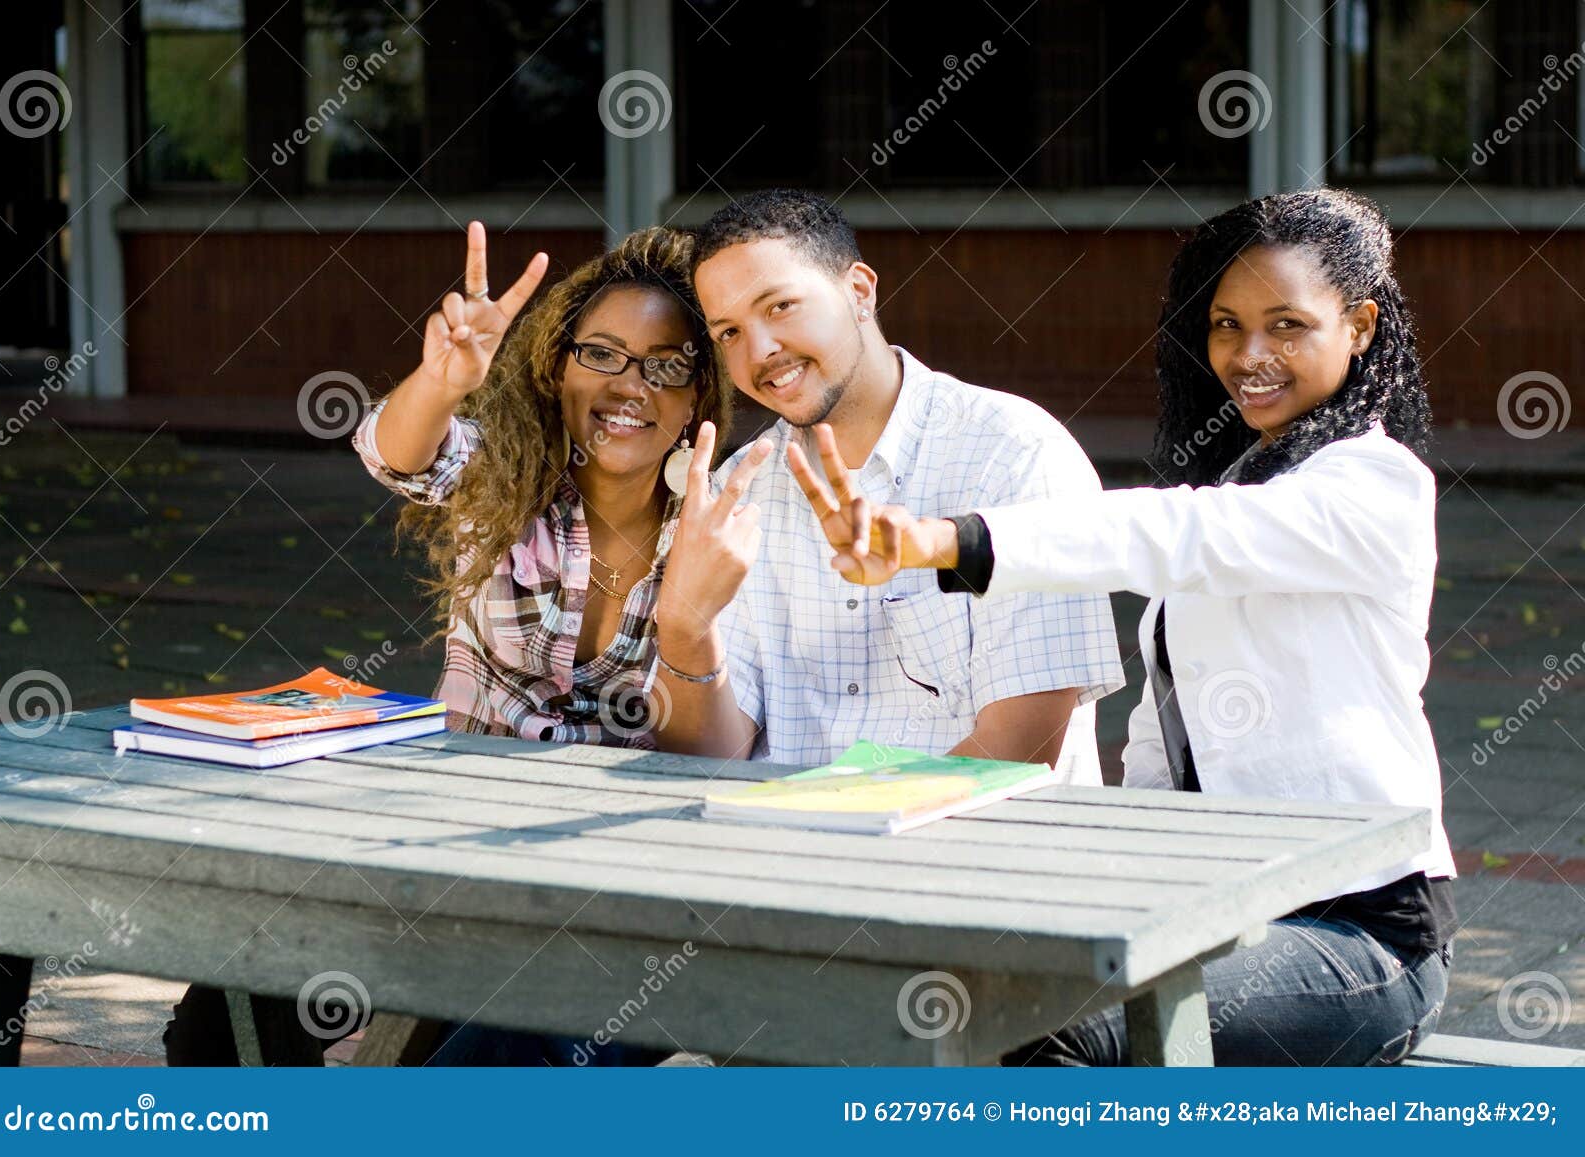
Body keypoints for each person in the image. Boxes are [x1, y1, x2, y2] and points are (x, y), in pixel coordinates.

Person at [789, 187, 1455, 1067]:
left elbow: (1169, 532)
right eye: (1226, 325)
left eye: (1287, 325)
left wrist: (944, 541)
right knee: (951, 994)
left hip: (1362, 939)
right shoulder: (1245, 483)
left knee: (1043, 1030)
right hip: (1221, 912)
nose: (1250, 355)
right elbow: (1159, 741)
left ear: (1360, 326)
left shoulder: (1376, 486)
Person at [164, 221, 730, 1067]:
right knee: (223, 1016)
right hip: (448, 856)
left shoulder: (724, 530)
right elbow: (395, 452)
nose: (629, 384)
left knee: (482, 1068)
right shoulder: (504, 480)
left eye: (665, 364)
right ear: (559, 366)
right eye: (602, 353)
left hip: (616, 901)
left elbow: (713, 756)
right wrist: (440, 380)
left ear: (696, 399)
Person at [651, 190, 1125, 778]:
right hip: (778, 830)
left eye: (780, 306)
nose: (760, 350)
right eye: (728, 333)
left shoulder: (1013, 455)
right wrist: (684, 627)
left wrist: (831, 821)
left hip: (973, 835)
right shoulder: (740, 490)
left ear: (859, 291)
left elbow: (1019, 750)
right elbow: (709, 761)